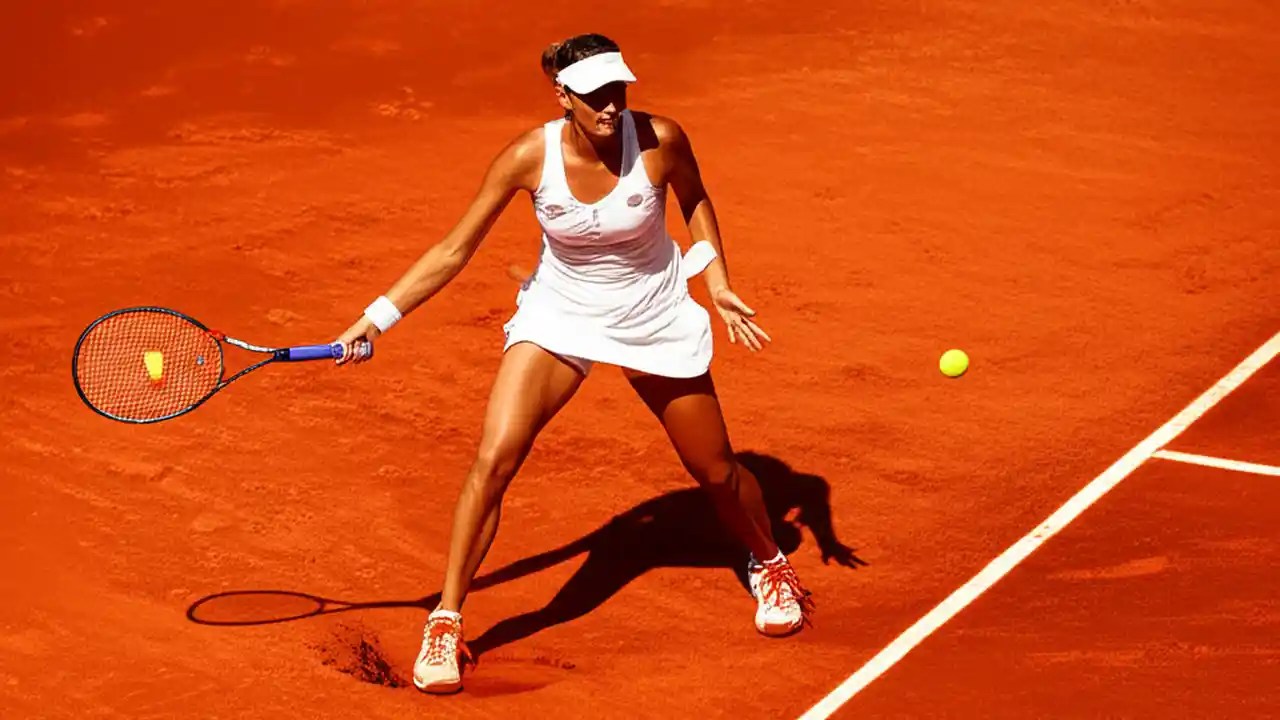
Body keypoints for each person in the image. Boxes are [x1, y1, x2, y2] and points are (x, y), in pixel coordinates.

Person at [334, 33, 813, 695]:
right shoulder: (529, 157)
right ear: (563, 98)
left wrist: (718, 281)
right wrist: (378, 317)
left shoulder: (662, 140)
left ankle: (768, 559)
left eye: (617, 92)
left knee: (715, 470)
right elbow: (453, 250)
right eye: (593, 97)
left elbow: (696, 201)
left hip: (653, 312)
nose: (610, 107)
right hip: (560, 314)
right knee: (494, 456)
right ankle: (445, 618)